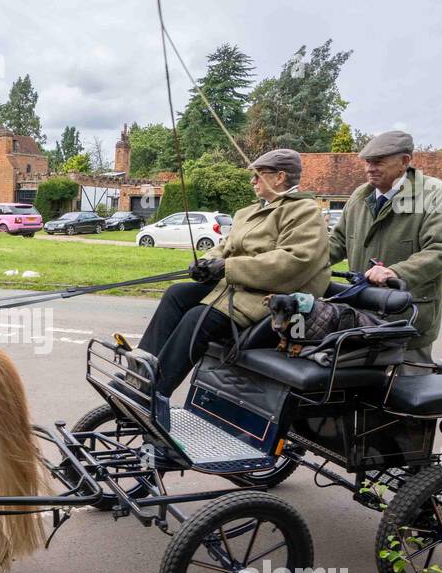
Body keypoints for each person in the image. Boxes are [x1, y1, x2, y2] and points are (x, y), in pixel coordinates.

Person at [128, 148, 330, 428]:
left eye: (258, 176)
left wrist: (228, 268)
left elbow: (293, 262)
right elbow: (225, 247)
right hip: (236, 287)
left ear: (280, 177)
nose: (253, 182)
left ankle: (156, 393)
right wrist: (208, 263)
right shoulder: (248, 212)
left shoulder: (304, 211)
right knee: (176, 294)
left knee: (198, 318)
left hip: (271, 298)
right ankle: (140, 372)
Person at [328, 131, 442, 373]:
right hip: (361, 315)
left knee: (406, 395)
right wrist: (298, 261)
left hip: (407, 317)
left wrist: (395, 272)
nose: (370, 168)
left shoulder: (432, 193)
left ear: (404, 162)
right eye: (367, 162)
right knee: (359, 395)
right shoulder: (361, 196)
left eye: (378, 161)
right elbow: (336, 243)